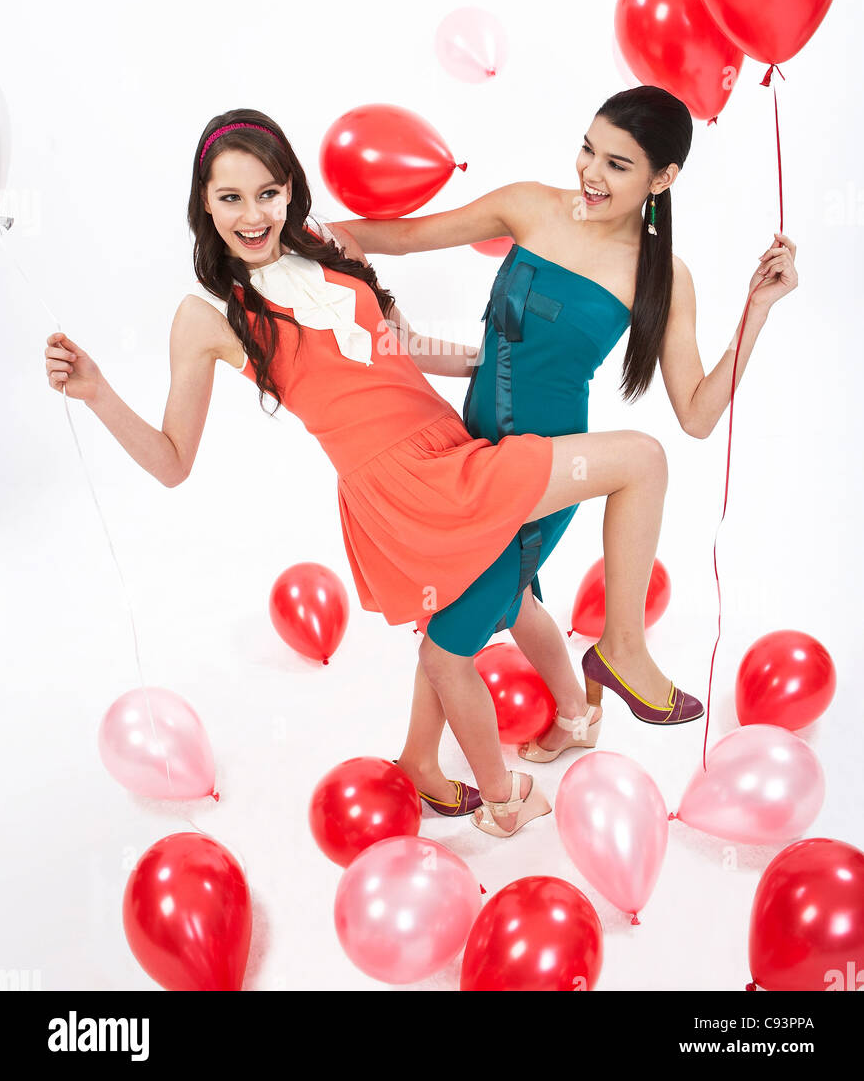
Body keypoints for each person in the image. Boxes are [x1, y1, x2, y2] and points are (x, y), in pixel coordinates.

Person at [43, 107, 700, 839]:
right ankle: (516, 785)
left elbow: (402, 345)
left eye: (267, 192)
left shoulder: (330, 254)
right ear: (204, 202)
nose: (252, 214)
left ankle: (448, 754)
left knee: (505, 597)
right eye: (229, 198)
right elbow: (171, 463)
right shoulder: (205, 318)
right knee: (628, 472)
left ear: (291, 190)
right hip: (402, 482)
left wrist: (501, 363)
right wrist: (98, 391)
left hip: (451, 447)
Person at [333, 85, 798, 803]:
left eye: (617, 163)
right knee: (504, 598)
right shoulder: (529, 204)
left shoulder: (662, 276)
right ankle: (573, 719)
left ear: (662, 178)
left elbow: (698, 414)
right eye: (587, 148)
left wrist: (757, 311)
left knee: (451, 632)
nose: (591, 172)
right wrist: (294, 236)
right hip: (471, 448)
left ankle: (455, 752)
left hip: (549, 471)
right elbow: (402, 235)